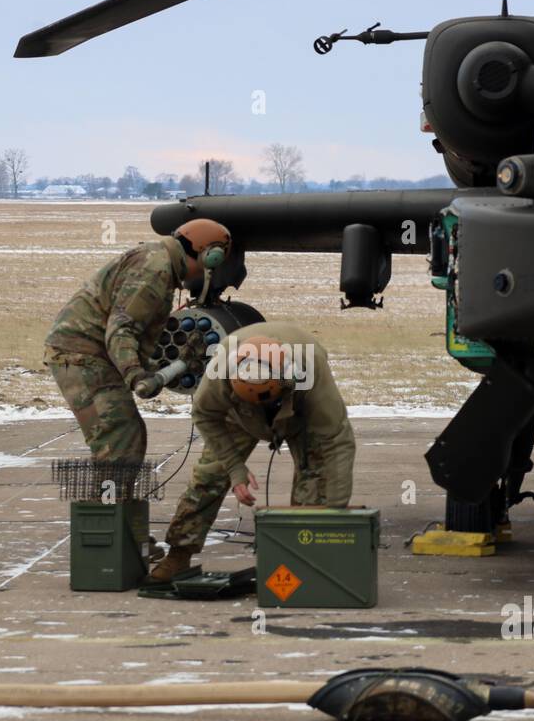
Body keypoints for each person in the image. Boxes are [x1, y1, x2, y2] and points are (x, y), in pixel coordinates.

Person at [153, 321, 356, 583]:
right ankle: (178, 555)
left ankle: (307, 557)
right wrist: (235, 468)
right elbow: (204, 415)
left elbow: (337, 441)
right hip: (239, 415)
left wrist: (335, 511)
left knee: (317, 481)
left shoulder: (310, 368)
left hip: (298, 414)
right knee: (209, 476)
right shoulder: (220, 368)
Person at [44, 219, 230, 463]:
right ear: (208, 256)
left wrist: (159, 370)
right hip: (82, 355)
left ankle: (114, 498)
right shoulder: (155, 269)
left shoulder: (158, 261)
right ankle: (110, 500)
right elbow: (122, 329)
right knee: (120, 438)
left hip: (91, 354)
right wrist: (136, 375)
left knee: (128, 436)